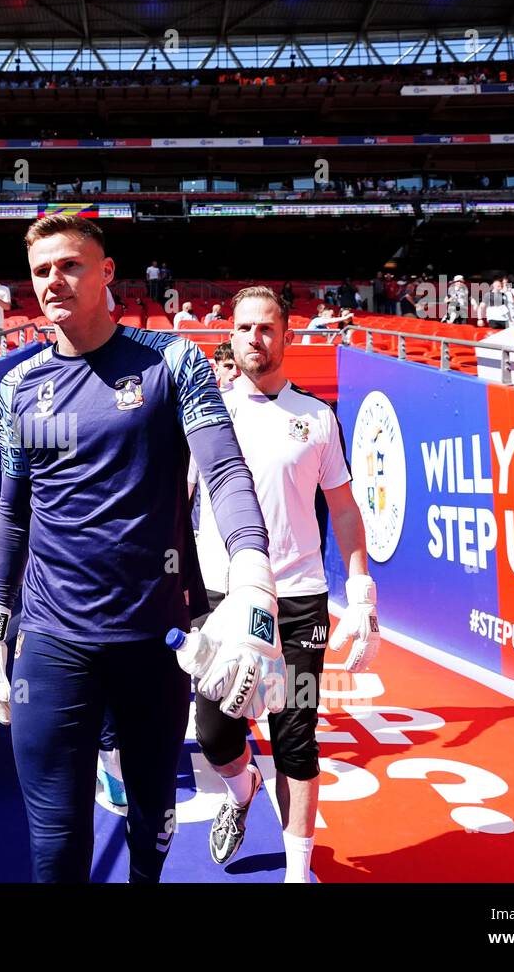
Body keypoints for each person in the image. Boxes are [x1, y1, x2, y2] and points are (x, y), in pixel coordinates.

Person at [0, 215, 273, 883]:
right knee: (55, 849)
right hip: (52, 645)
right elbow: (13, 512)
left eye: (71, 264)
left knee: (149, 836)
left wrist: (254, 579)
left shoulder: (173, 362)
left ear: (106, 273)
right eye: (43, 268)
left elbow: (224, 470)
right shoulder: (18, 390)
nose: (55, 278)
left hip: (154, 642)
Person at [194, 285, 378, 882]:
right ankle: (241, 788)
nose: (254, 338)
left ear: (286, 335)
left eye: (267, 328)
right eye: (244, 328)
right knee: (216, 729)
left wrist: (361, 591)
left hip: (297, 599)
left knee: (294, 731)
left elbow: (345, 509)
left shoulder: (318, 418)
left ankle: (297, 872)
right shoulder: (205, 416)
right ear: (232, 335)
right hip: (221, 597)